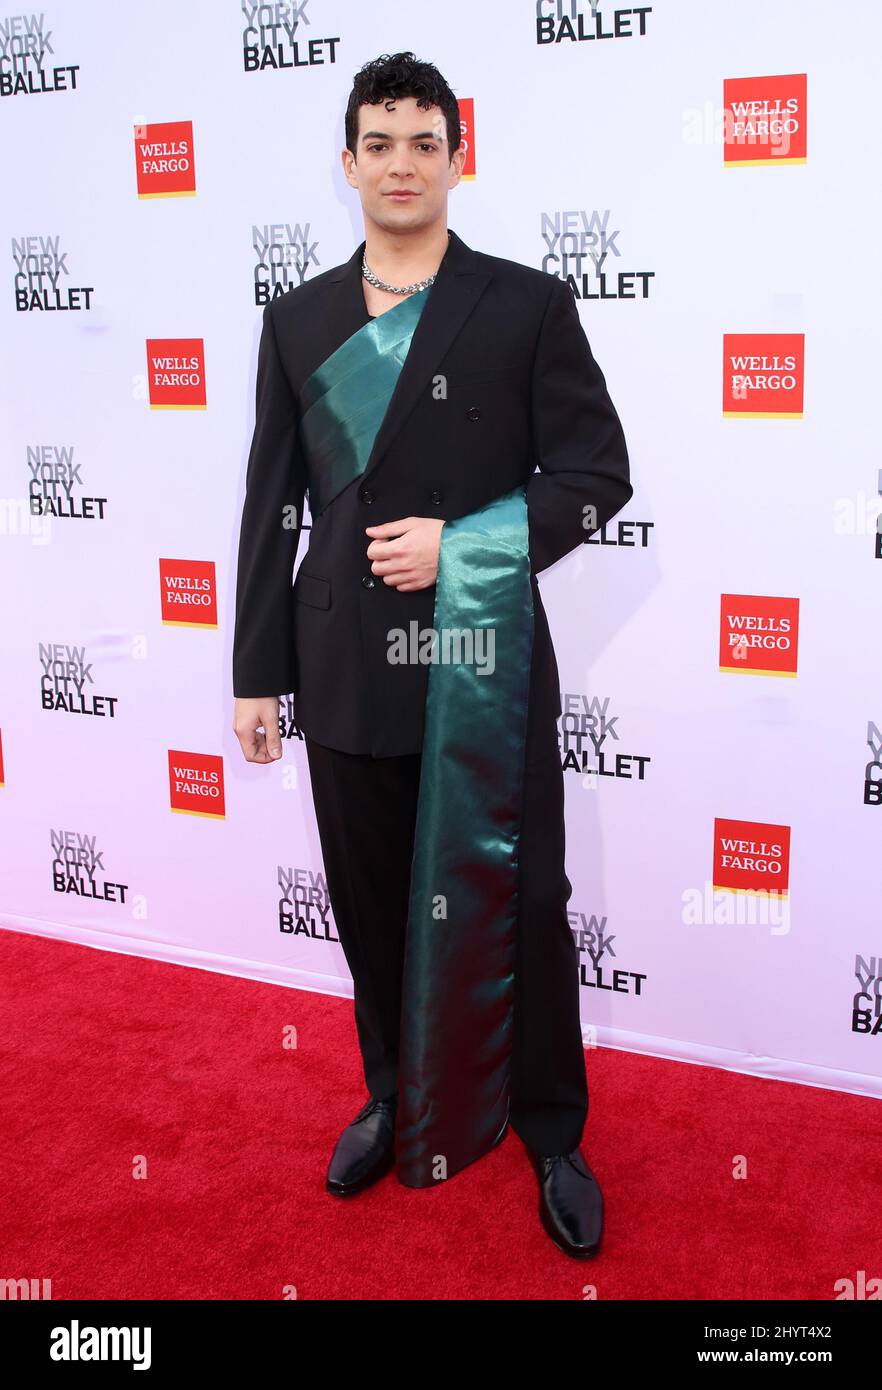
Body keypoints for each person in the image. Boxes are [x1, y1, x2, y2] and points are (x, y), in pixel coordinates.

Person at [232, 51, 632, 1259]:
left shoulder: (525, 304)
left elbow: (595, 475)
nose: (402, 163)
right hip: (345, 657)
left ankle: (551, 1128)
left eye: (425, 141)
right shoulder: (296, 318)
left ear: (460, 157)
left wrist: (461, 544)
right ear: (346, 162)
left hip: (483, 658)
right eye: (380, 142)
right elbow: (271, 504)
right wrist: (257, 672)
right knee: (369, 903)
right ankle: (396, 1094)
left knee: (525, 902)